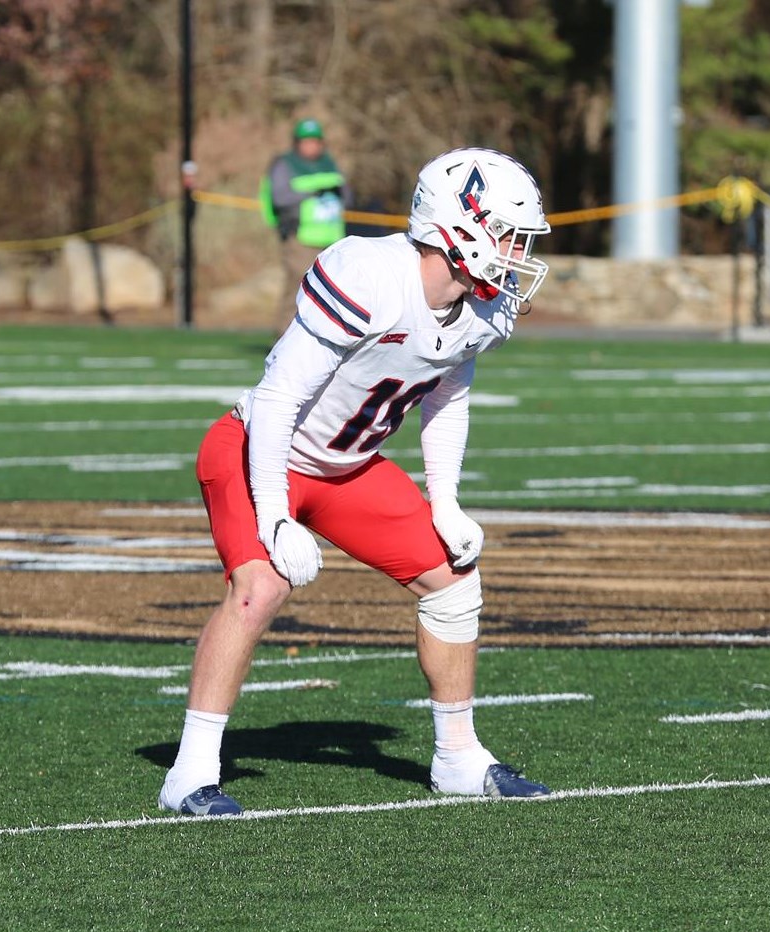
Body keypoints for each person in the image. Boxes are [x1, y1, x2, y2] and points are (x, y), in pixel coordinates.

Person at [160, 147, 553, 816]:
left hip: (347, 468)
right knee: (262, 584)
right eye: (507, 233)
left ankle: (457, 758)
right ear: (459, 228)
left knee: (456, 581)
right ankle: (190, 773)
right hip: (259, 448)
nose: (516, 250)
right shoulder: (370, 273)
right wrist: (277, 514)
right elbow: (279, 396)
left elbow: (446, 397)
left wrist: (447, 501)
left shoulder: (480, 311)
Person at [261, 117, 350, 292]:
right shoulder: (284, 164)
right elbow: (279, 197)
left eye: (315, 141)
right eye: (306, 141)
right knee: (298, 292)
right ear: (297, 143)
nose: (311, 146)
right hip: (300, 240)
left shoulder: (329, 163)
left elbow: (347, 197)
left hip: (332, 241)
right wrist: (313, 193)